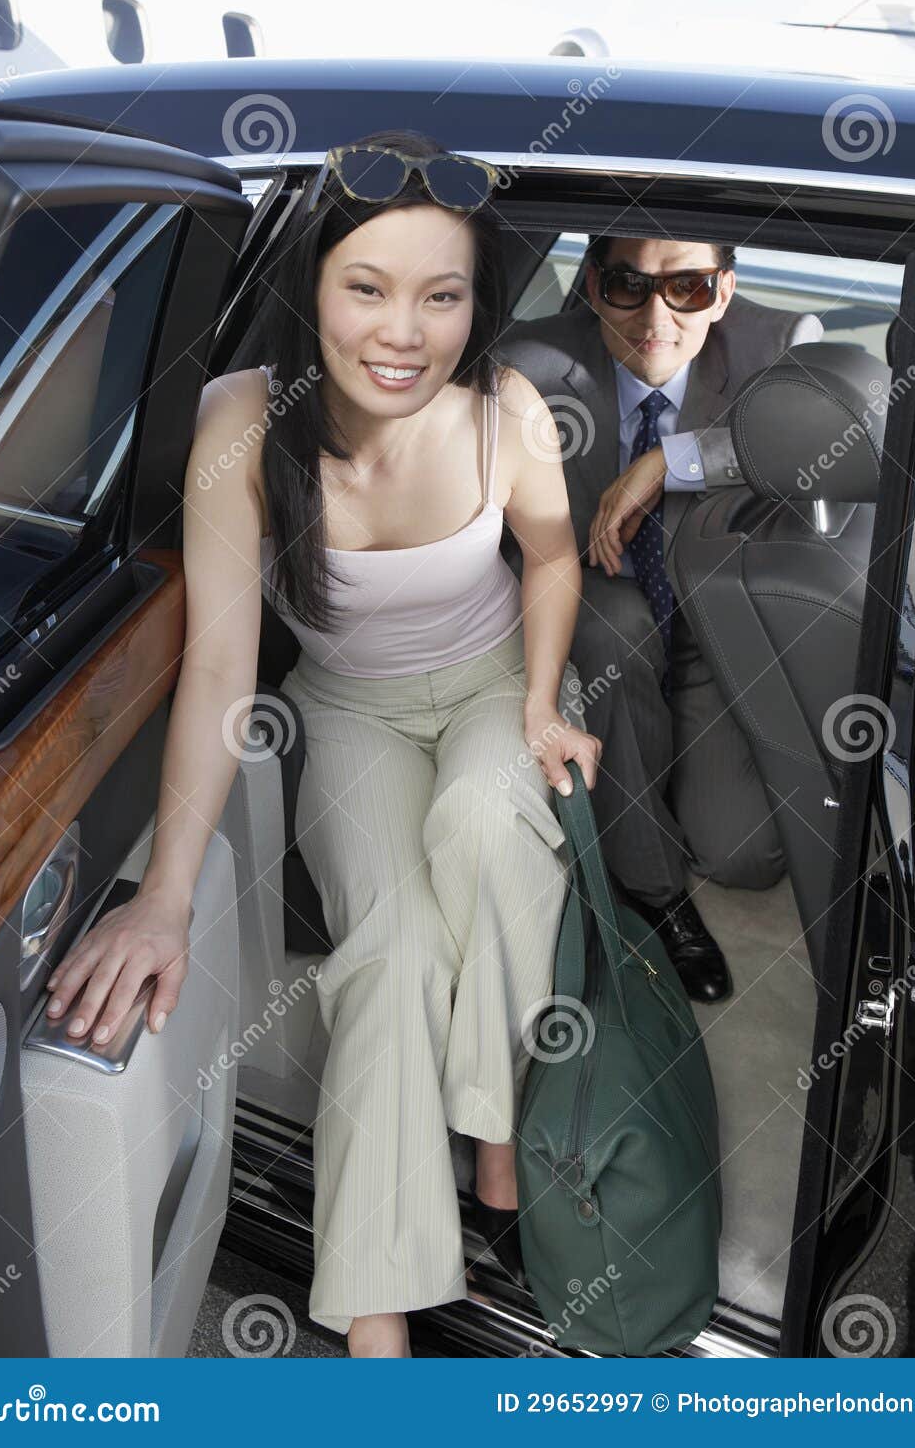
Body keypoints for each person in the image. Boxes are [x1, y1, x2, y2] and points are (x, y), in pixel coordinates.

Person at [42, 129, 602, 1359]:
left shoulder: (507, 409)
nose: (405, 332)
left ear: (475, 304)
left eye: (441, 296)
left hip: (491, 685)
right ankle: (377, 1318)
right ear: (313, 285)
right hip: (350, 708)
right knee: (389, 955)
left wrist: (542, 701)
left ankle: (495, 1127)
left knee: (483, 827)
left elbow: (555, 557)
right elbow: (218, 669)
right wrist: (164, 897)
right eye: (368, 288)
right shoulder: (245, 421)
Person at [498, 237, 824, 1003]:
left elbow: (824, 435)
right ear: (592, 285)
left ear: (724, 291)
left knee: (746, 859)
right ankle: (654, 893)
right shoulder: (527, 363)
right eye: (628, 285)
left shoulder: (780, 344)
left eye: (687, 288)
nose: (655, 318)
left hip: (715, 631)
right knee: (614, 629)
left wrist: (671, 460)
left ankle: (652, 787)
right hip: (601, 612)